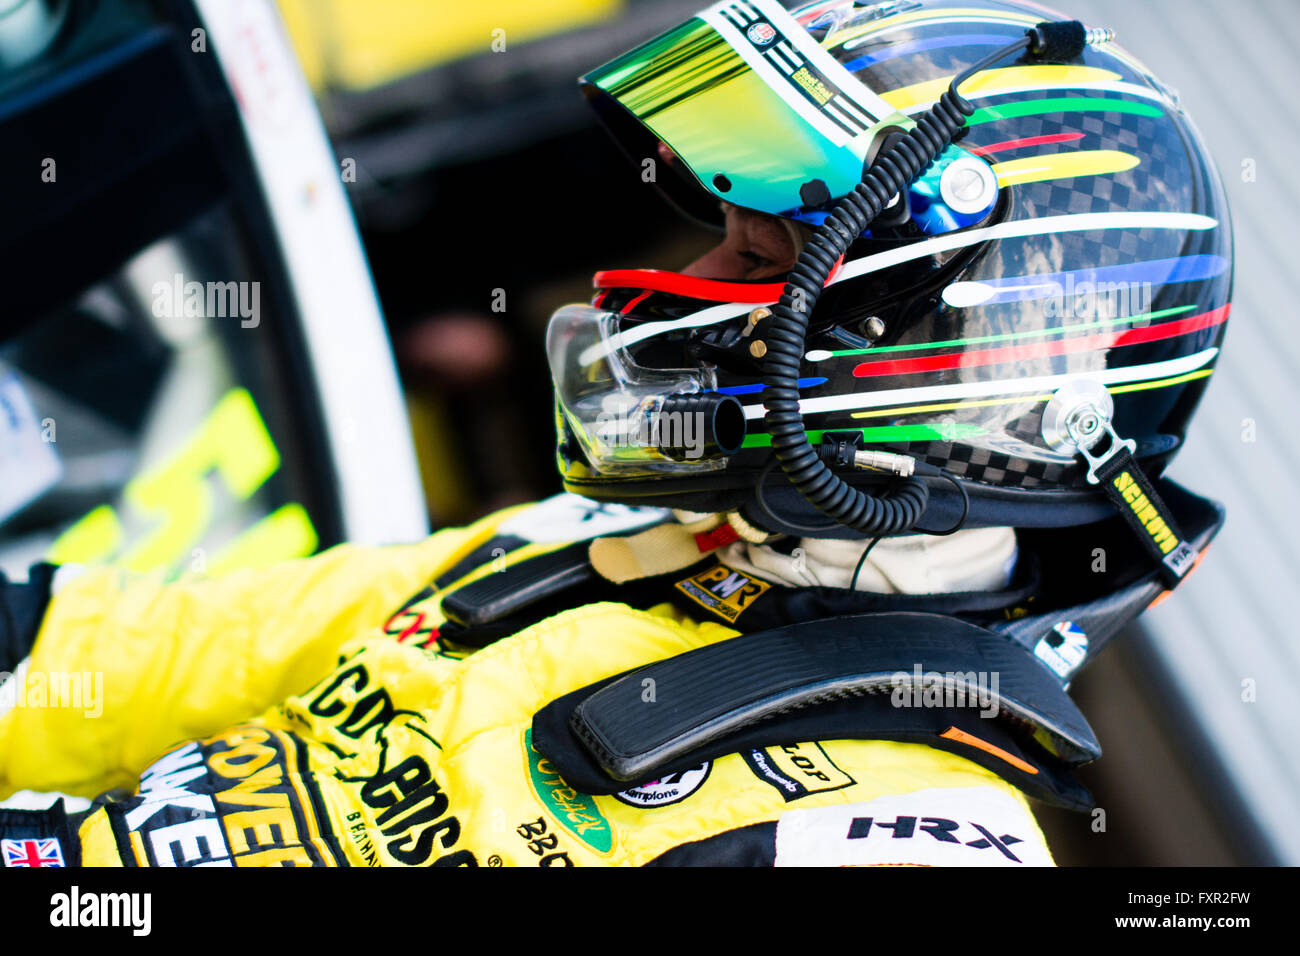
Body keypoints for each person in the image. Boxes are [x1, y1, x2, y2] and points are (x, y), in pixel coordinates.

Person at [0, 0, 1230, 867]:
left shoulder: (894, 843)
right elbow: (156, 651)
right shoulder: (610, 539)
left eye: (761, 258)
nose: (683, 282)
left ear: (957, 365)